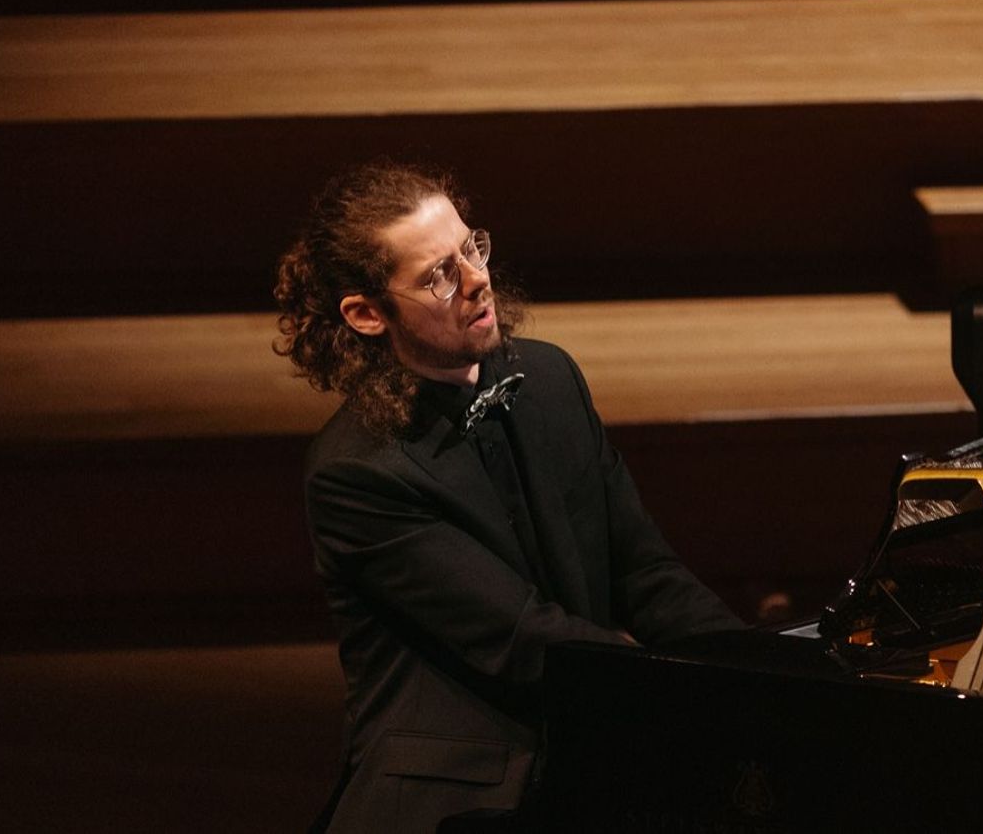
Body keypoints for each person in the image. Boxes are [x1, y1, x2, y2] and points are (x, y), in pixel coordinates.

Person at [274, 160, 743, 831]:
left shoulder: (548, 378)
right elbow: (523, 639)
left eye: (472, 247)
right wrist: (683, 687)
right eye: (438, 274)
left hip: (588, 735)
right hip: (454, 795)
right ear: (366, 313)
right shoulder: (357, 470)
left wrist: (757, 671)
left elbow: (644, 569)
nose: (476, 278)